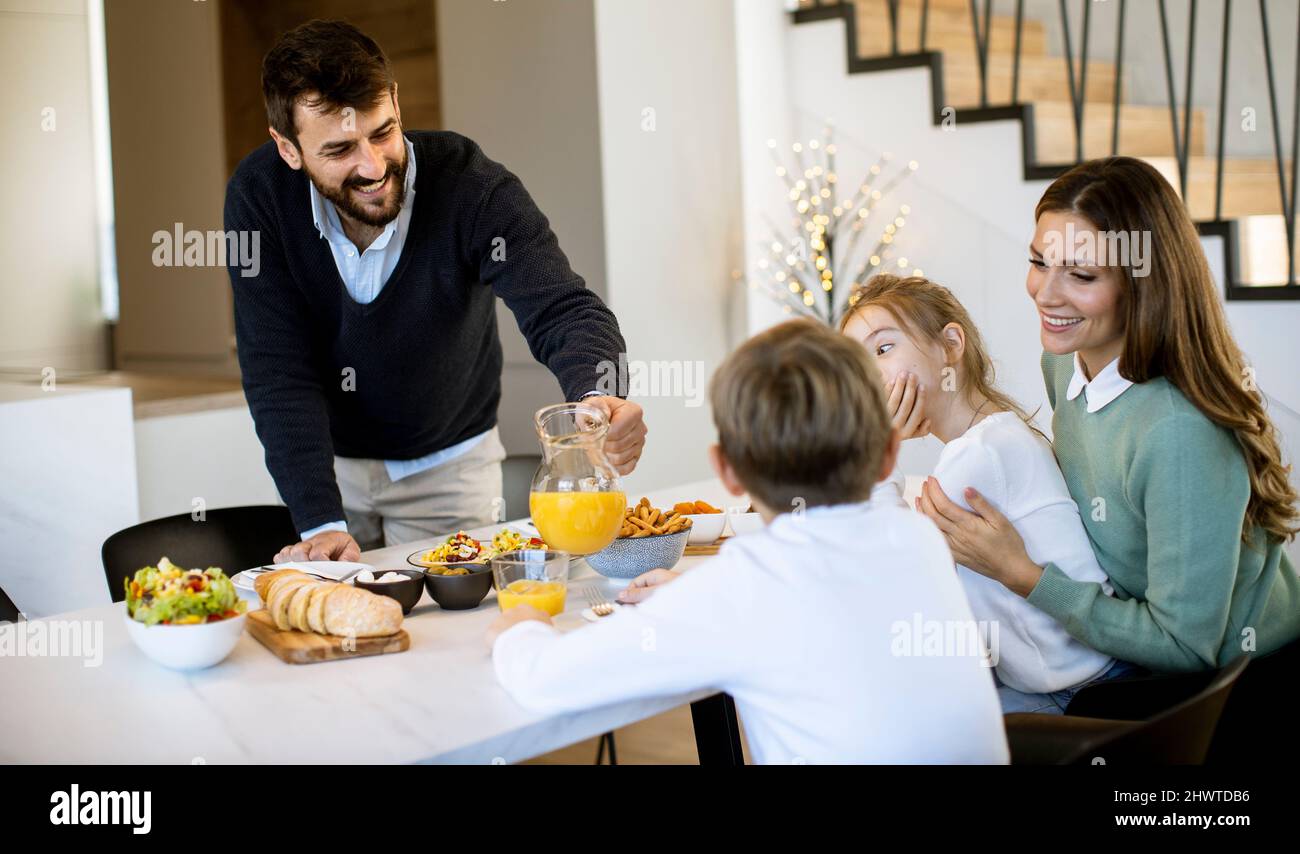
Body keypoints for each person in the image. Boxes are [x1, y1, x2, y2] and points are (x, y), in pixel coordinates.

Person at [486, 319, 1009, 764]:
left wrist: (523, 626)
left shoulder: (743, 591)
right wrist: (697, 595)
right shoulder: (916, 535)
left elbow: (542, 680)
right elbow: (817, 589)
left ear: (726, 473)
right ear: (891, 456)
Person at [223, 20, 645, 561]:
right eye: (340, 149)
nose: (373, 166)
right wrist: (319, 519)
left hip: (451, 471)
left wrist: (597, 396)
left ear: (396, 102)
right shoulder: (259, 198)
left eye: (382, 132)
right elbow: (276, 368)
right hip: (329, 470)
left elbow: (562, 307)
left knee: (462, 636)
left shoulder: (471, 186)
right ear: (287, 148)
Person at [918, 156, 1300, 673]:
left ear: (1143, 285)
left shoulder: (1179, 433)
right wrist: (935, 414)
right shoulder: (1062, 364)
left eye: (1081, 274)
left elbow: (1184, 647)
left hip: (1225, 684)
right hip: (1128, 644)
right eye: (1038, 262)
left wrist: (1023, 575)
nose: (1046, 294)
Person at [842, 273, 1123, 714]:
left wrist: (878, 453)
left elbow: (895, 569)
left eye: (883, 349)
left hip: (1083, 693)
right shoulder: (995, 435)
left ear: (951, 345)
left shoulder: (980, 456)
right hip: (1055, 679)